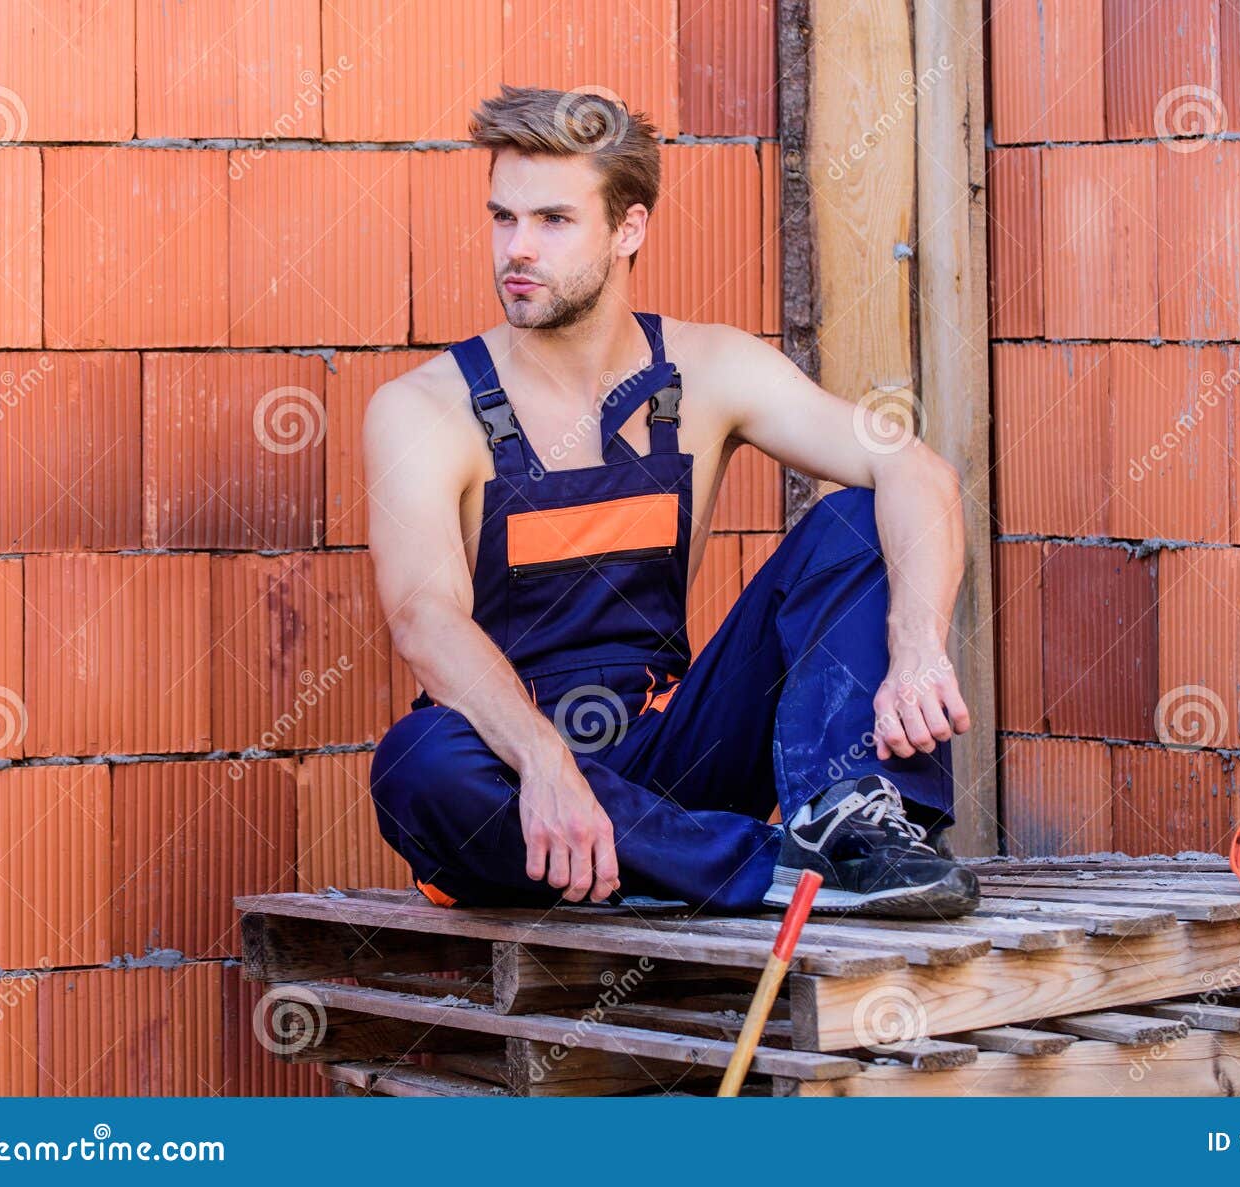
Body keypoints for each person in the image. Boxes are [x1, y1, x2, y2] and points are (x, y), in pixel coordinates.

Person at [365, 85, 978, 919]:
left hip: (676, 753)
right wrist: (549, 767)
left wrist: (916, 646)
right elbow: (424, 618)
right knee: (417, 761)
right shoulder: (424, 408)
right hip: (517, 779)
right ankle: (769, 869)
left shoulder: (710, 370)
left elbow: (918, 473)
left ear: (629, 229)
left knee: (858, 519)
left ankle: (848, 827)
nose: (517, 248)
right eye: (503, 218)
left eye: (552, 220)